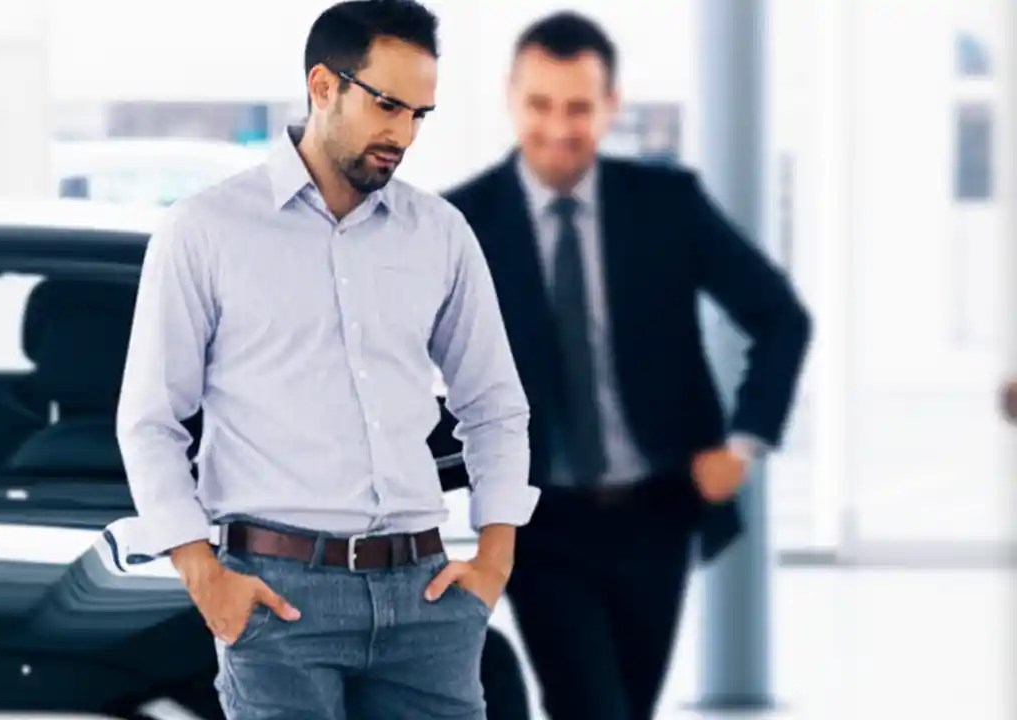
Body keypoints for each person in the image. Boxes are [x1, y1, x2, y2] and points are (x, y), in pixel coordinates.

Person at [116, 1, 538, 718]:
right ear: (322, 86)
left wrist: (495, 556)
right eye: (387, 106)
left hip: (426, 599)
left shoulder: (439, 234)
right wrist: (203, 575)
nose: (403, 134)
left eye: (420, 115)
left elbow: (495, 405)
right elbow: (152, 421)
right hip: (278, 600)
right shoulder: (206, 232)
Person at [444, 12, 811, 720]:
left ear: (611, 105)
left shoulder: (666, 205)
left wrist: (744, 443)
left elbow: (780, 316)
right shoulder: (464, 224)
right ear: (510, 99)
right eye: (540, 104)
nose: (559, 128)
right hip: (542, 520)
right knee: (590, 705)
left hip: (657, 513)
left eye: (579, 108)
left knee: (628, 706)